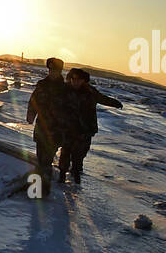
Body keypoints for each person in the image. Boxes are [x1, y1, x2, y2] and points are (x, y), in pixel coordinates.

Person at [57, 67, 123, 185]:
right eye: (73, 79)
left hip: (85, 130)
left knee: (79, 154)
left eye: (78, 79)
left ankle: (76, 176)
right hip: (68, 128)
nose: (75, 82)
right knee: (65, 152)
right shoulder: (65, 90)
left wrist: (115, 103)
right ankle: (62, 176)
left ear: (84, 80)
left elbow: (103, 99)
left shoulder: (90, 92)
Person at [25, 57, 69, 194]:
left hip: (56, 131)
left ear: (60, 71)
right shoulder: (42, 84)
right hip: (41, 128)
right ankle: (37, 188)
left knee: (46, 160)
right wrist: (30, 114)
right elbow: (34, 101)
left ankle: (42, 190)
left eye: (55, 70)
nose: (53, 73)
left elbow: (72, 109)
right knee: (40, 158)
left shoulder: (65, 89)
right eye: (51, 70)